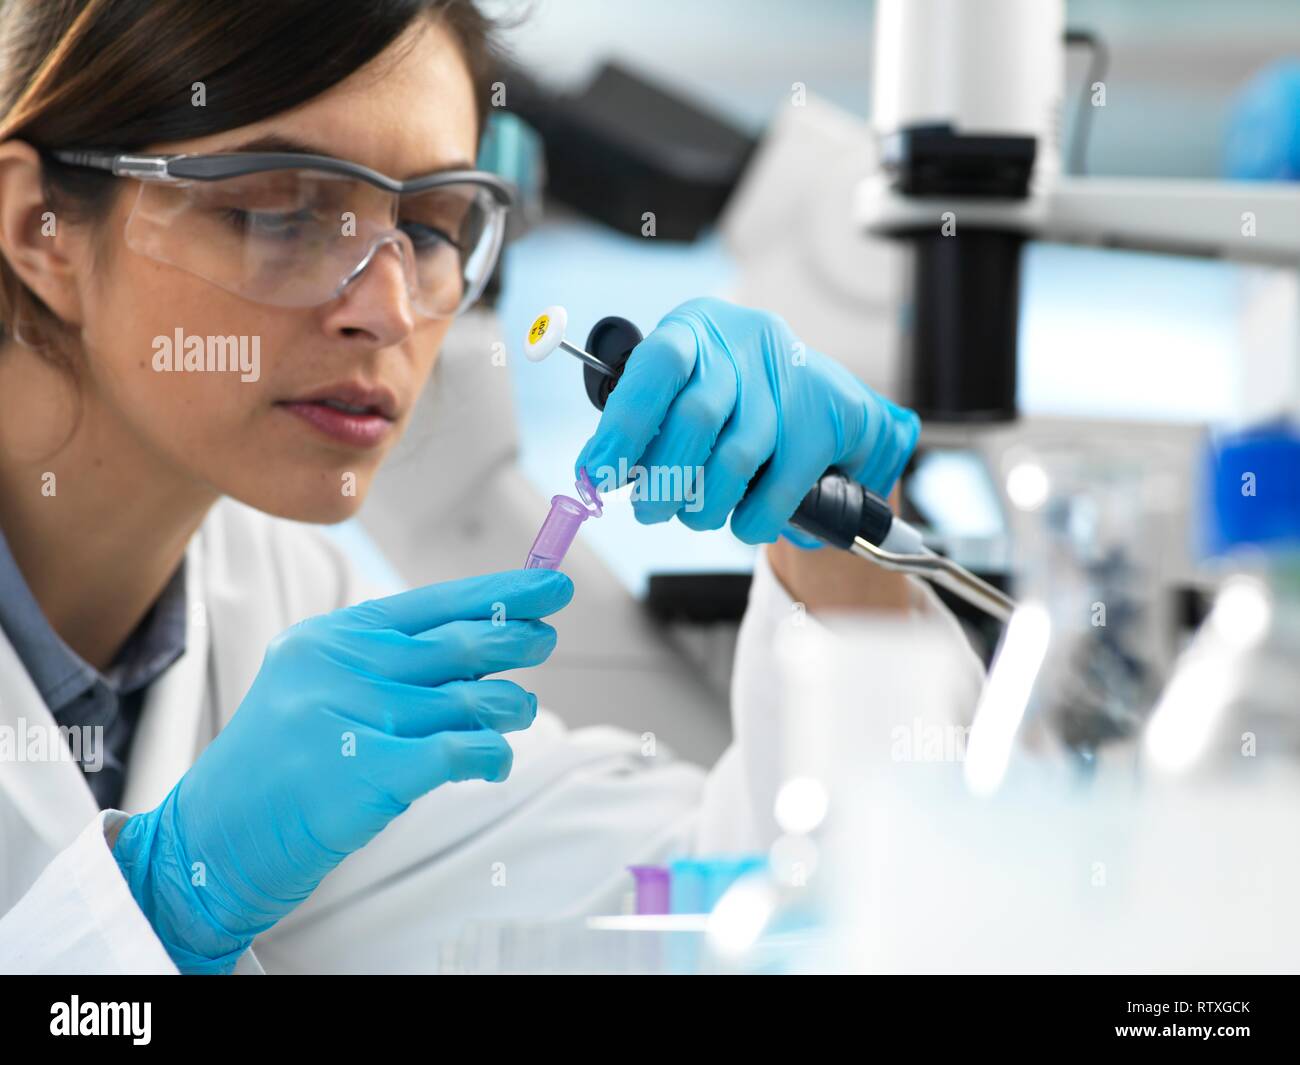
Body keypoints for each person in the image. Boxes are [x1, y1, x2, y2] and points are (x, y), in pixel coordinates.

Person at [0, 0, 982, 973]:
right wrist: (165, 894)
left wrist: (834, 544)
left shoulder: (284, 621)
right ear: (38, 227)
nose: (385, 310)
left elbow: (727, 919)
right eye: (282, 213)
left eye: (431, 229)